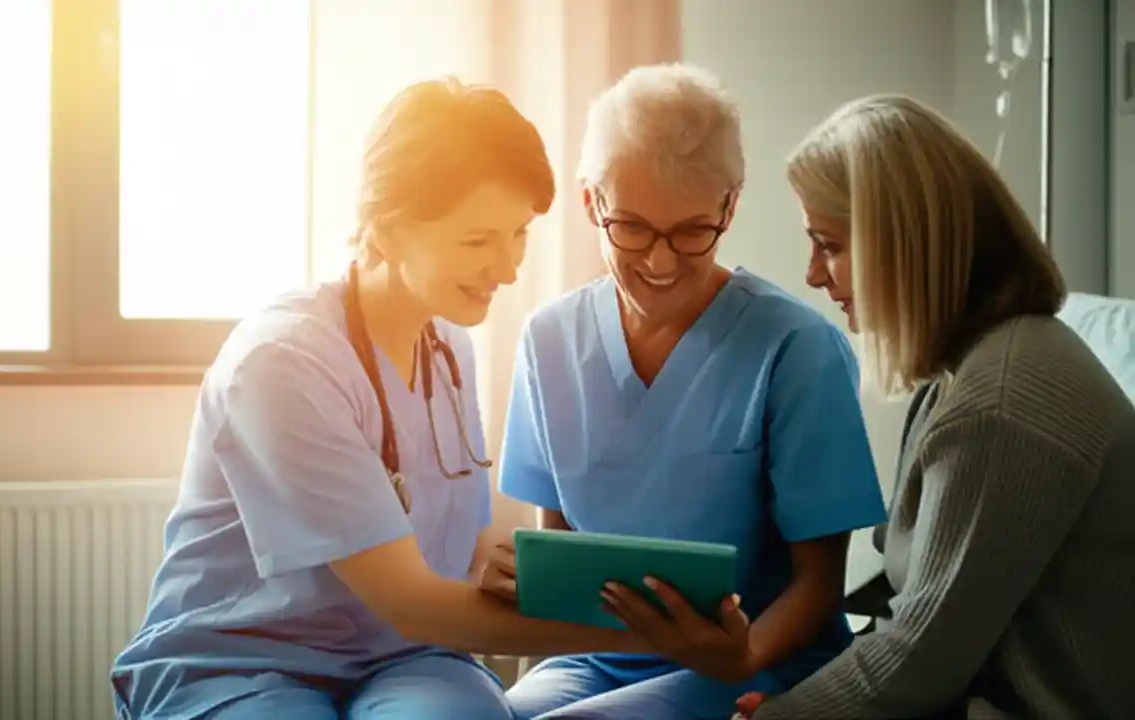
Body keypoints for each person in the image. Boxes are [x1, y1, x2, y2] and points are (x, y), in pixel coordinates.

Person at [110, 78, 648, 720]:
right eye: (477, 241)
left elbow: (458, 564)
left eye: (518, 235)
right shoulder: (283, 362)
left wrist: (522, 579)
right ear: (386, 232)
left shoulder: (449, 344)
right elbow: (413, 600)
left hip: (407, 659)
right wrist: (646, 639)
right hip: (240, 663)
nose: (507, 269)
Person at [488, 63, 887, 720]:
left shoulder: (795, 349)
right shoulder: (549, 340)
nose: (660, 262)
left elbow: (818, 586)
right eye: (633, 228)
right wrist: (516, 587)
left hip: (758, 659)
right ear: (591, 202)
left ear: (730, 204)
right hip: (596, 658)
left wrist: (741, 656)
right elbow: (560, 567)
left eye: (693, 231)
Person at [735, 95, 1135, 719]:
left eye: (829, 245)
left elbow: (922, 655)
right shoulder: (961, 373)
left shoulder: (1002, 402)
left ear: (903, 245)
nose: (813, 274)